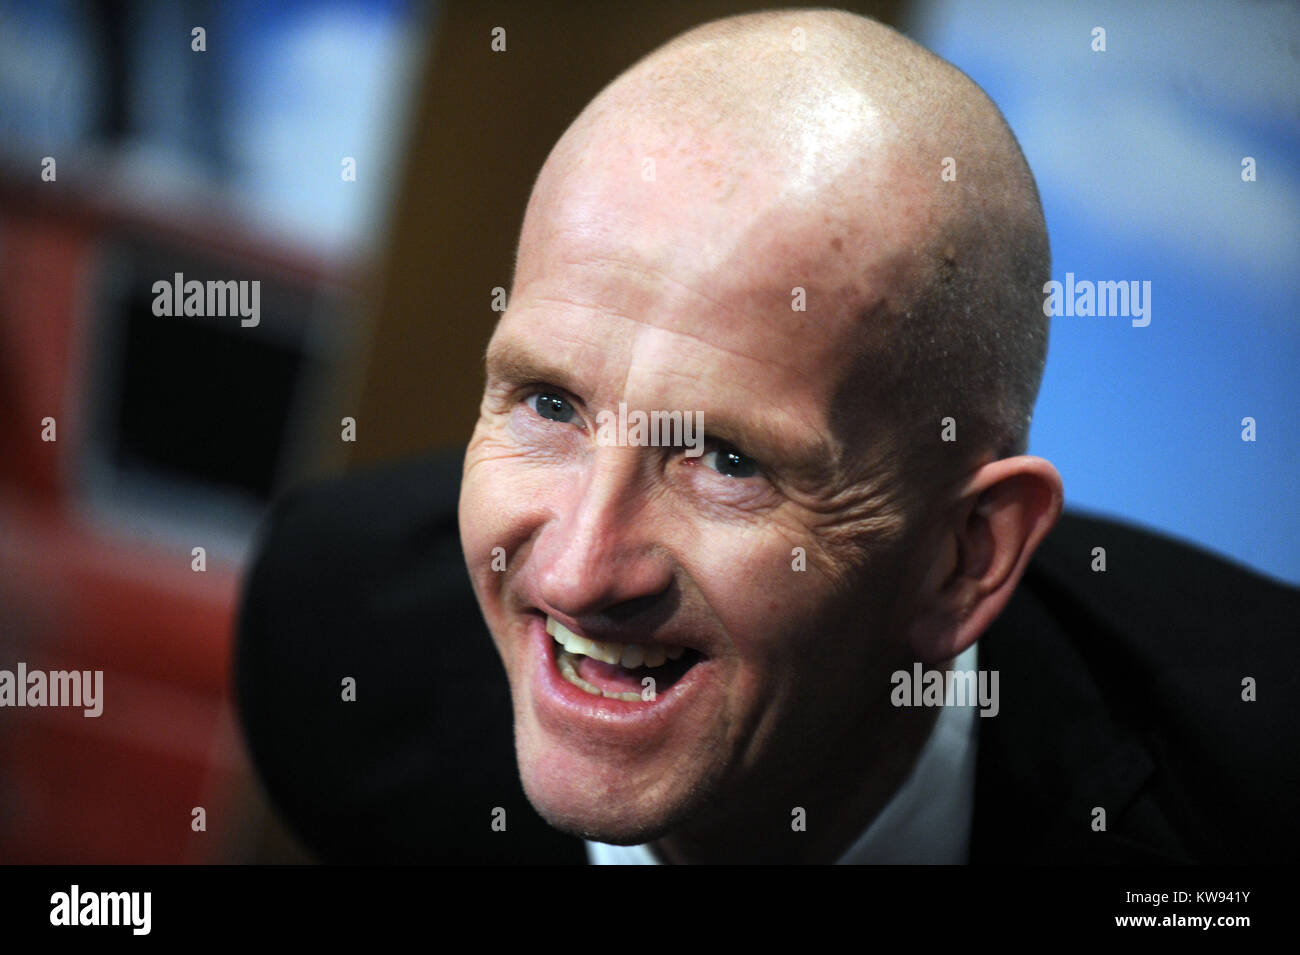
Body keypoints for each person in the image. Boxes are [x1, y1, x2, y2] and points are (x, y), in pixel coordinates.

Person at [236, 9, 1299, 864]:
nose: (575, 569)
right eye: (549, 402)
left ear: (962, 558)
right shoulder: (340, 649)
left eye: (727, 461)